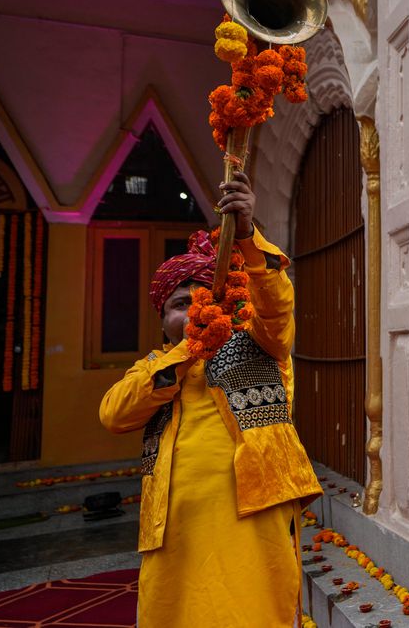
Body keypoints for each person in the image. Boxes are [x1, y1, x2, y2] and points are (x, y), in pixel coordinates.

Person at [99, 170, 321, 628]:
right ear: (162, 319)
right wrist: (189, 350)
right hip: (174, 529)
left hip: (253, 516)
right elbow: (114, 415)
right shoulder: (155, 367)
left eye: (204, 298)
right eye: (180, 304)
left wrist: (246, 235)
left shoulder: (261, 343)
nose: (193, 310)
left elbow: (277, 306)